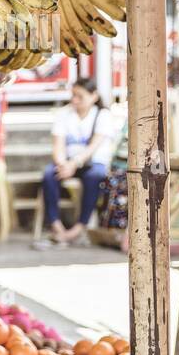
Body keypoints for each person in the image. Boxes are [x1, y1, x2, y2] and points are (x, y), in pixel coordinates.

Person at [41, 78, 115, 245]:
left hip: (93, 163)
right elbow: (58, 146)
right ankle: (56, 225)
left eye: (80, 96)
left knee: (94, 177)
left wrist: (74, 164)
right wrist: (63, 164)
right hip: (67, 163)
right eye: (73, 95)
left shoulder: (103, 115)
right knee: (49, 175)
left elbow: (93, 147)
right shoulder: (64, 114)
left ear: (93, 96)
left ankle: (79, 227)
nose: (75, 100)